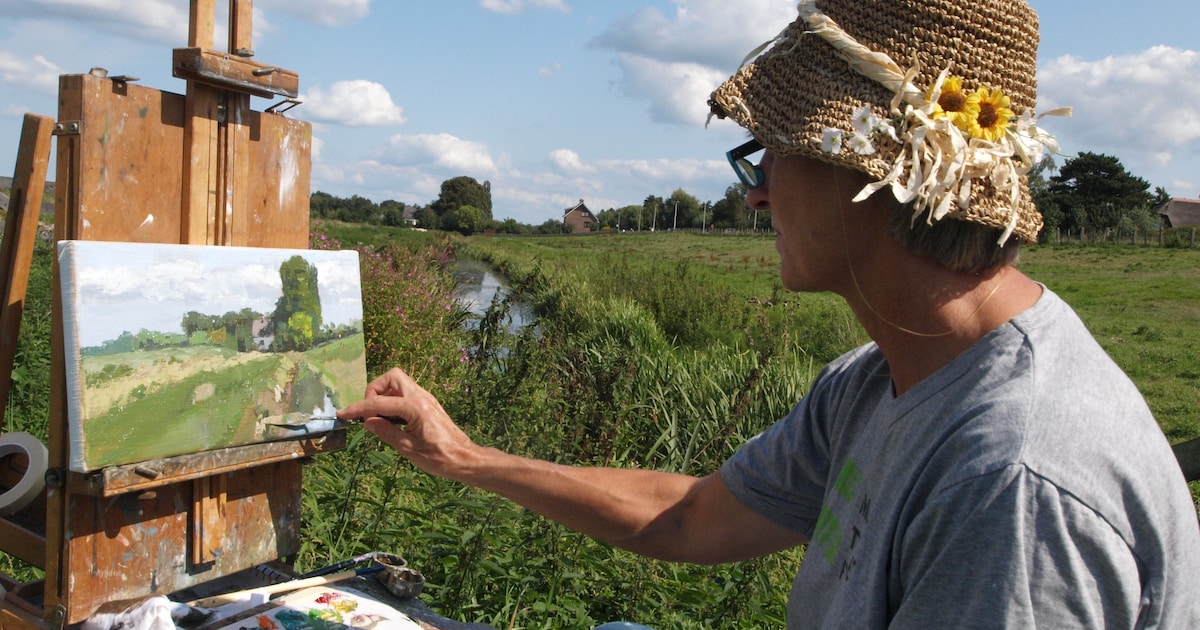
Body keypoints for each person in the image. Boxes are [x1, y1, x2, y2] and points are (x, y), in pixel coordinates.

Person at [340, 0, 1200, 626]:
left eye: (769, 157)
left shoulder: (1010, 482)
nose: (753, 198)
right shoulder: (878, 381)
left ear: (866, 172)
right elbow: (692, 519)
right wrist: (463, 458)